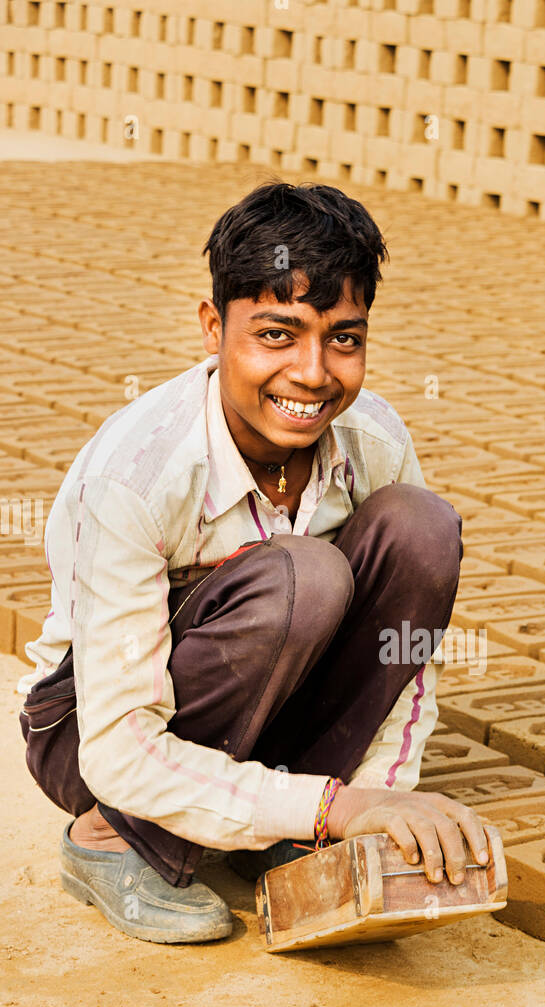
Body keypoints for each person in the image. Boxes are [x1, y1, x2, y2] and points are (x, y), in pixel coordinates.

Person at [18, 179, 489, 945]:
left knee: (421, 528)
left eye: (343, 339)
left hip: (269, 711)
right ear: (213, 328)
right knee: (302, 580)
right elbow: (118, 744)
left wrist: (379, 801)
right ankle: (108, 838)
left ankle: (276, 817)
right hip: (93, 736)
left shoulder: (373, 440)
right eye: (277, 334)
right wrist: (335, 807)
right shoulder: (139, 476)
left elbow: (408, 655)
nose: (312, 373)